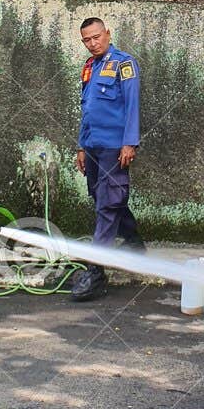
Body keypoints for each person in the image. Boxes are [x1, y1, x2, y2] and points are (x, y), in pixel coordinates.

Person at [70, 16, 143, 302]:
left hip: (115, 147)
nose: (92, 43)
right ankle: (135, 243)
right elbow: (87, 109)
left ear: (107, 33)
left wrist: (129, 142)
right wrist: (80, 146)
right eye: (86, 40)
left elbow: (132, 104)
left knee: (108, 204)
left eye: (96, 37)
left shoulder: (124, 64)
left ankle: (96, 272)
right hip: (93, 147)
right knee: (104, 199)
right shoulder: (89, 67)